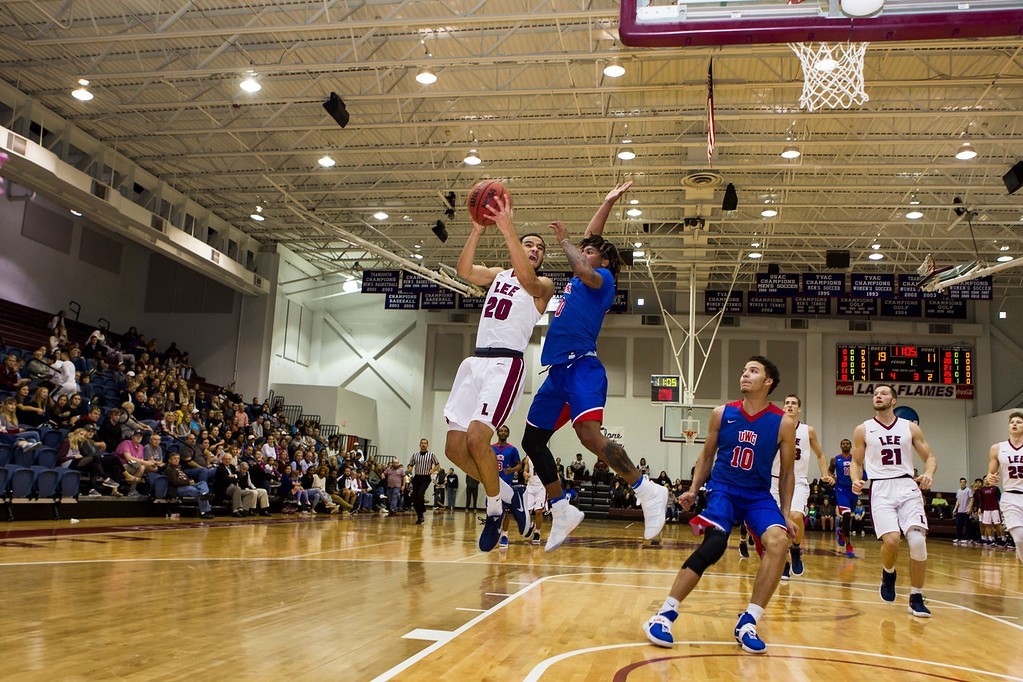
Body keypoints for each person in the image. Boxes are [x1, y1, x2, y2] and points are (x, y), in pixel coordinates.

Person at [521, 182, 668, 552]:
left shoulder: (602, 280)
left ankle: (645, 489)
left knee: (588, 434)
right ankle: (561, 509)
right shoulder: (582, 275)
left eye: (590, 252)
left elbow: (585, 260)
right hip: (557, 371)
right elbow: (591, 239)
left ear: (601, 261)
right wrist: (606, 202)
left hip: (583, 367)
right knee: (532, 440)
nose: (584, 251)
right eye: (583, 249)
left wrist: (566, 242)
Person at [643, 356, 797, 654]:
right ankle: (663, 615)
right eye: (744, 370)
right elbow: (706, 456)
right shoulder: (721, 413)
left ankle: (748, 622)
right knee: (714, 545)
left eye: (753, 371)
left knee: (779, 542)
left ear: (768, 382)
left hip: (757, 495)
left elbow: (788, 472)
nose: (745, 374)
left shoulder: (783, 423)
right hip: (723, 490)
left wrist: (786, 513)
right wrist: (693, 490)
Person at [443, 194, 555, 551]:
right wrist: (477, 229)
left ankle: (494, 510)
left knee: (478, 439)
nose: (534, 249)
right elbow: (464, 271)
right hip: (475, 362)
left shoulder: (544, 285)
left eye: (539, 247)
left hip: (506, 364)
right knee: (454, 449)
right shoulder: (498, 275)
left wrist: (508, 230)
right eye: (529, 244)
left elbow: (529, 282)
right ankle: (509, 494)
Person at [851, 384, 938, 617]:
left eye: (883, 393)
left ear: (894, 400)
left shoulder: (909, 427)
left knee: (917, 541)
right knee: (891, 541)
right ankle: (888, 573)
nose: (878, 396)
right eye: (875, 393)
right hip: (880, 487)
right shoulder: (863, 429)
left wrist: (928, 473)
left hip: (907, 485)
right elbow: (856, 462)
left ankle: (916, 596)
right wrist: (856, 479)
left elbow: (929, 457)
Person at [770, 395, 834, 579]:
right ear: (783, 408)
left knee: (796, 516)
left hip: (798, 480)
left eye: (794, 404)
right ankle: (784, 562)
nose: (790, 406)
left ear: (799, 409)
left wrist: (825, 474)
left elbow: (820, 454)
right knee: (778, 525)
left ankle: (796, 549)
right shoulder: (774, 428)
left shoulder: (808, 431)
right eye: (787, 403)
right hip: (774, 481)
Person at [986, 411, 1023, 563]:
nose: (1014, 424)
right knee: (1019, 537)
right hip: (1010, 497)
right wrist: (989, 477)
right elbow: (990, 474)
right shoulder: (997, 448)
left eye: (1019, 422)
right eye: (1012, 422)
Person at [493, 425, 525, 548]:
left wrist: (511, 470)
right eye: (501, 430)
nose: (503, 432)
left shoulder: (512, 449)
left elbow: (519, 465)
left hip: (507, 483)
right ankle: (494, 532)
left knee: (506, 511)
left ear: (508, 434)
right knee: (493, 510)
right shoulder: (491, 448)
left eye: (505, 431)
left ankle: (505, 535)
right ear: (497, 433)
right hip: (493, 483)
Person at [830, 438, 860, 558]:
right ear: (840, 446)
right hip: (841, 489)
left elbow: (861, 471)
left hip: (853, 489)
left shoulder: (855, 459)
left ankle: (841, 531)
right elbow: (830, 471)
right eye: (843, 443)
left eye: (847, 443)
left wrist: (862, 478)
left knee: (849, 517)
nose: (845, 445)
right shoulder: (835, 459)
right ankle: (849, 546)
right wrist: (831, 477)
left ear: (851, 446)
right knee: (846, 515)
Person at [164, 452, 214, 519]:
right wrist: (188, 482)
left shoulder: (179, 468)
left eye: (178, 458)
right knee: (197, 492)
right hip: (178, 488)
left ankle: (204, 494)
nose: (176, 460)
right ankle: (204, 512)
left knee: (203, 483)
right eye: (174, 458)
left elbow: (185, 478)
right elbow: (175, 482)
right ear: (169, 460)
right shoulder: (169, 470)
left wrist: (190, 481)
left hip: (187, 485)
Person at [407, 439, 440, 525]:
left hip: (425, 478)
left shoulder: (431, 454)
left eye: (425, 443)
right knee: (414, 497)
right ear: (419, 445)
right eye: (422, 443)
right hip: (417, 477)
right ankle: (420, 516)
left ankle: (422, 509)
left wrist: (433, 470)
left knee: (420, 494)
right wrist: (409, 470)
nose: (423, 444)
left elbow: (437, 464)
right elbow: (411, 464)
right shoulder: (415, 455)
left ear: (427, 445)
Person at [524, 456, 547, 545]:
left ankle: (537, 532)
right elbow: (525, 471)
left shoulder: (544, 456)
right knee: (527, 511)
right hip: (530, 486)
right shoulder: (528, 457)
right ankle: (531, 525)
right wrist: (525, 474)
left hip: (541, 486)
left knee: (538, 511)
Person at [952, 477, 974, 546]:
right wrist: (955, 509)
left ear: (965, 483)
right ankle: (958, 537)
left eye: (964, 482)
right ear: (960, 483)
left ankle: (968, 538)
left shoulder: (968, 490)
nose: (962, 483)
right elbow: (957, 501)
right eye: (961, 482)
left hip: (966, 510)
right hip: (960, 511)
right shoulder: (958, 491)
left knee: (967, 525)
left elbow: (971, 499)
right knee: (959, 524)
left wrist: (969, 508)